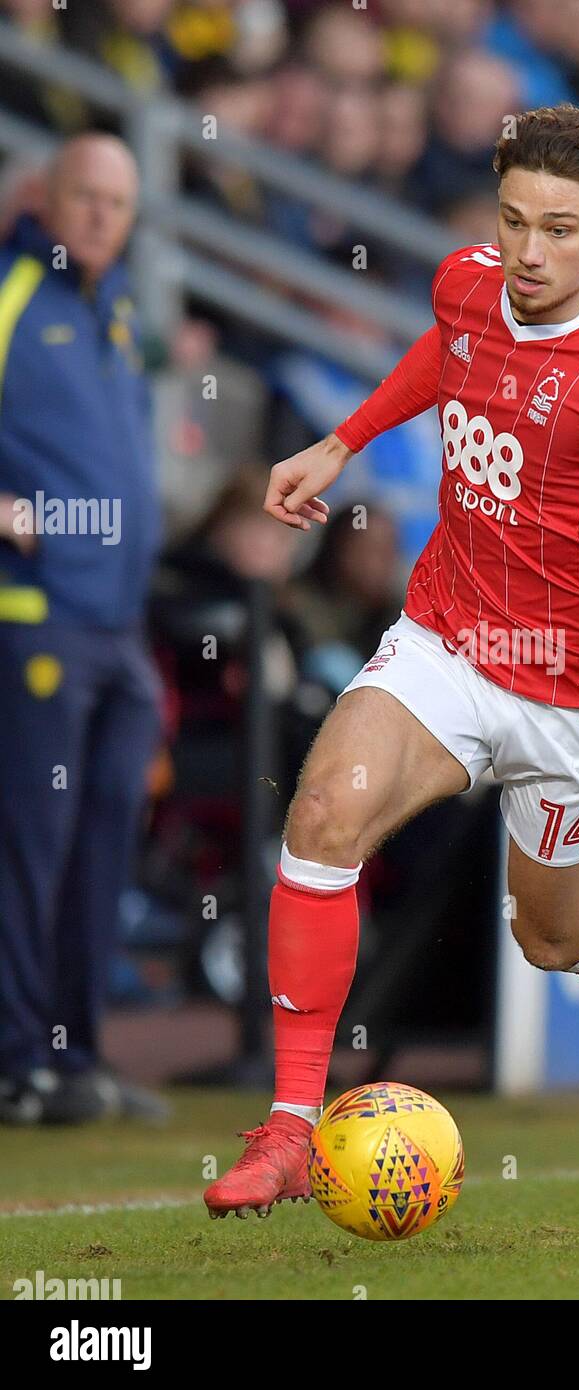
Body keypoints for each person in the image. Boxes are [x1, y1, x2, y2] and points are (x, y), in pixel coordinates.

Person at [204, 104, 579, 1218]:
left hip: (578, 683)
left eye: (558, 228)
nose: (530, 253)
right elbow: (444, 354)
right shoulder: (467, 281)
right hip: (449, 637)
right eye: (512, 222)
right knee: (323, 817)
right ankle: (291, 1129)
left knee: (553, 937)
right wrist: (342, 440)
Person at [0, 134, 165, 1123]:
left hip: (119, 625)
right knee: (32, 841)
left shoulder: (116, 309)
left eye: (119, 201)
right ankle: (20, 1060)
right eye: (86, 196)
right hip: (36, 617)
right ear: (44, 197)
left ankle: (79, 1055)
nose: (102, 215)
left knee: (105, 841)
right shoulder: (13, 294)